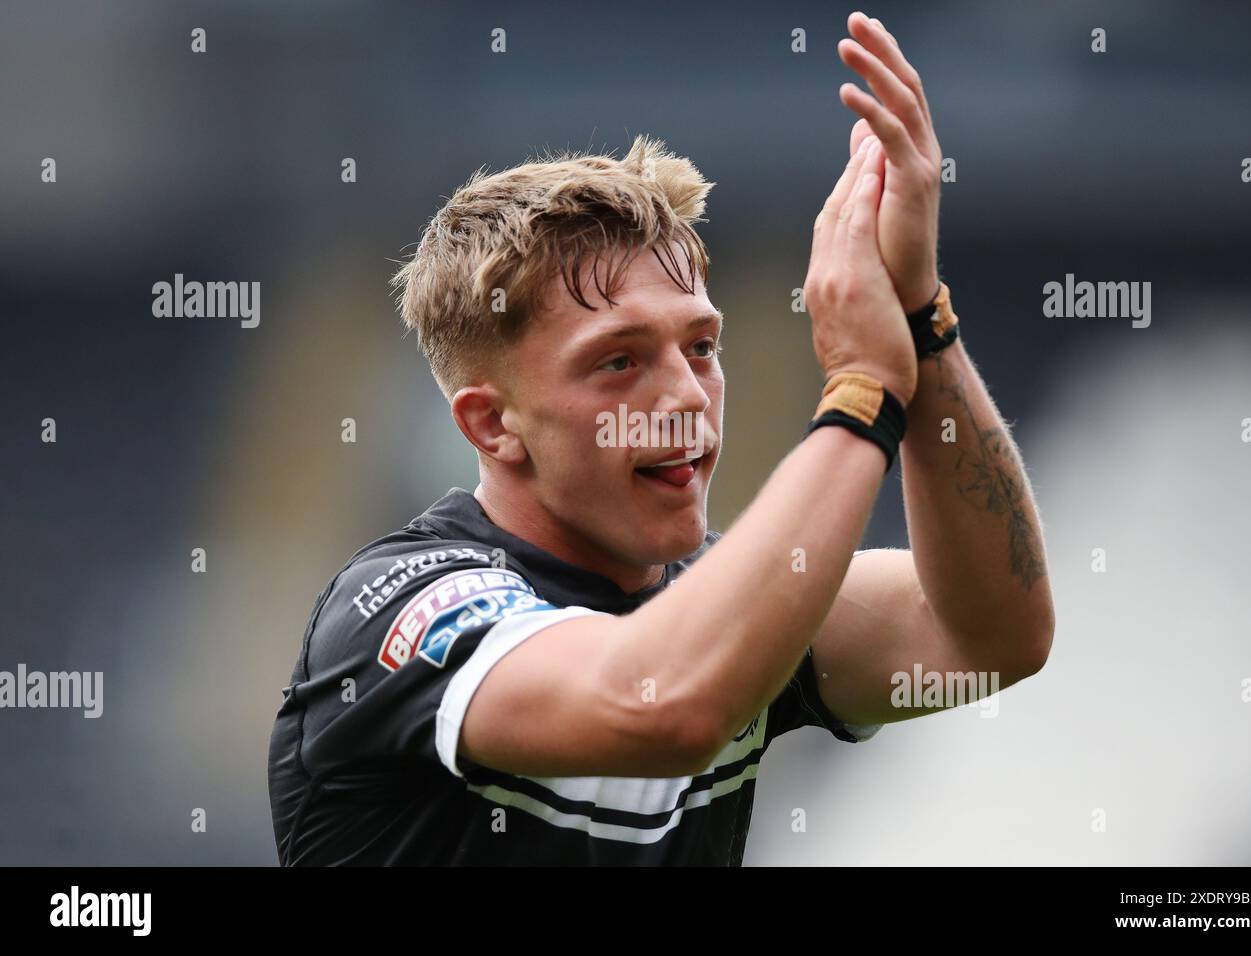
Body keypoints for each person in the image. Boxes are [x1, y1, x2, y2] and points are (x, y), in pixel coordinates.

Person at [268, 11, 1054, 865]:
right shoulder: (406, 607)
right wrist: (863, 393)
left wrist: (920, 323)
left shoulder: (717, 599)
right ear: (493, 425)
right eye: (618, 361)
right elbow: (663, 706)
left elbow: (989, 639)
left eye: (702, 346)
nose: (686, 394)